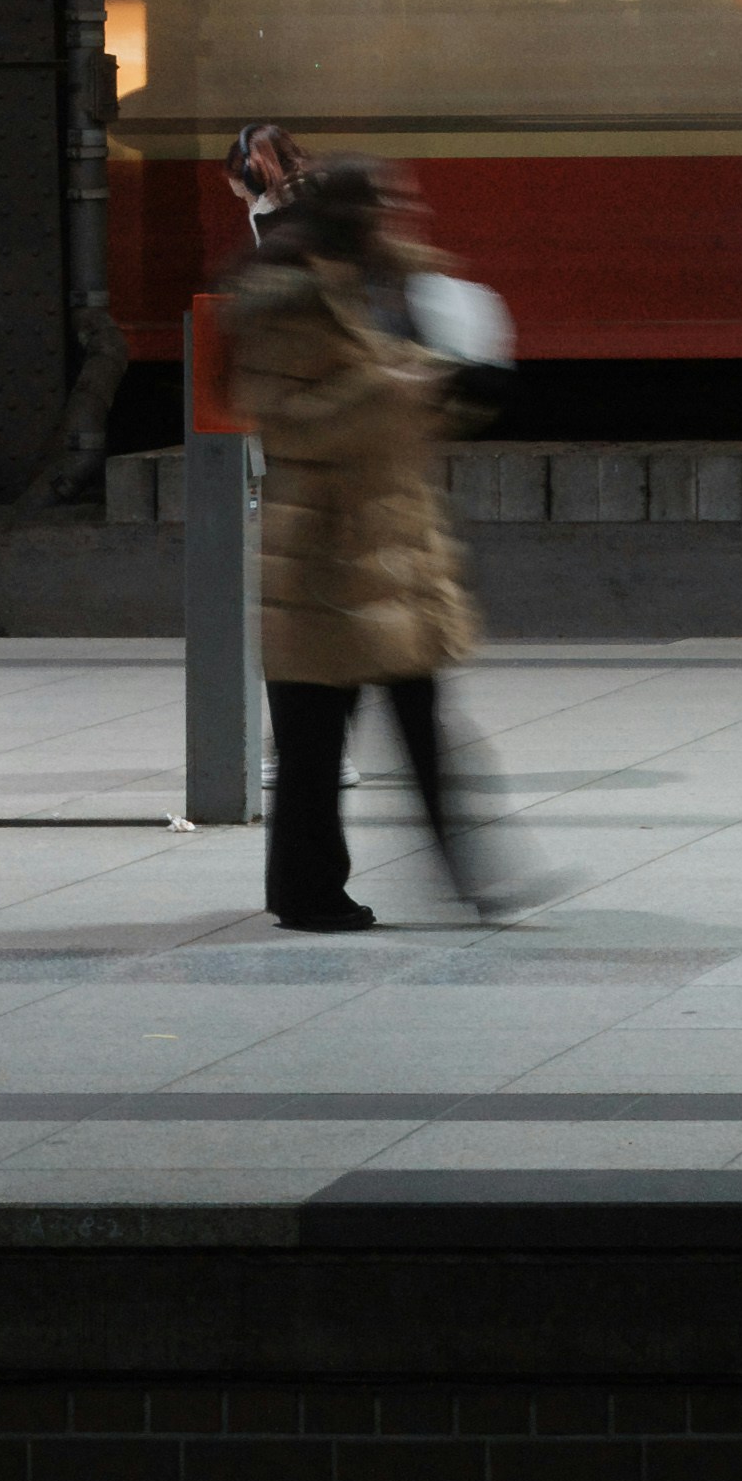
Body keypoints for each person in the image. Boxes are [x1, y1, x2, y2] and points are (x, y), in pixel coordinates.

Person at [227, 159, 493, 932]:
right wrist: (391, 387)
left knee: (419, 717)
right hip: (319, 546)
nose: (403, 220)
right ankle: (307, 891)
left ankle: (471, 874)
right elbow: (285, 415)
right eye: (387, 209)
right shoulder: (282, 299)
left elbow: (421, 399)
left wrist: (447, 387)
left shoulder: (398, 285)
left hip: (393, 538)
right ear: (347, 217)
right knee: (313, 739)